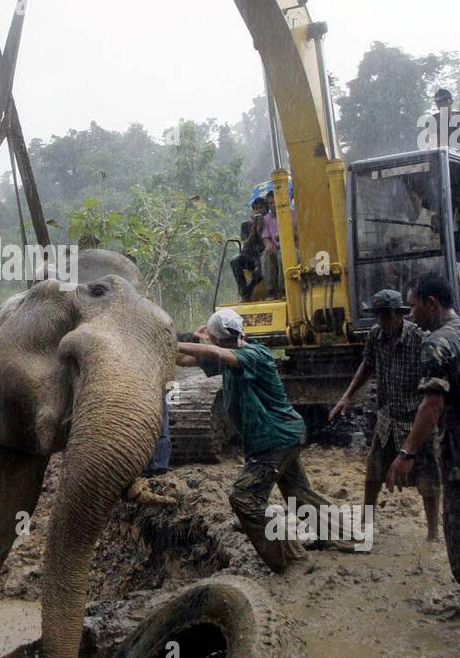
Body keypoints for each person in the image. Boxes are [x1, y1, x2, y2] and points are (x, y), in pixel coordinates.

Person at [177, 309, 338, 572]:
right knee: (299, 494)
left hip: (275, 439)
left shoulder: (255, 355)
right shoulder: (231, 357)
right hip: (279, 435)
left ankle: (295, 560)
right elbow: (186, 360)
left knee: (244, 497)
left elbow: (216, 353)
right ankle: (344, 537)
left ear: (217, 338)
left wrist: (178, 342)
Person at [386, 274, 460, 630]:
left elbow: (432, 403)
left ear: (431, 304)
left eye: (413, 306)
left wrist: (407, 452)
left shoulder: (436, 344)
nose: (411, 315)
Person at [330, 289, 441, 542]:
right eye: (378, 316)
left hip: (415, 420)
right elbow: (367, 365)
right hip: (387, 418)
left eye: (386, 316)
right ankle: (365, 525)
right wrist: (347, 396)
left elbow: (434, 385)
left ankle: (433, 534)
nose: (382, 322)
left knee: (428, 478)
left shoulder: (421, 340)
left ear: (398, 315)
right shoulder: (375, 336)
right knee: (373, 472)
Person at [230, 197, 266, 302]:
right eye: (256, 208)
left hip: (263, 255)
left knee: (260, 269)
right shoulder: (245, 224)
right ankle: (243, 291)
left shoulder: (268, 222)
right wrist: (253, 229)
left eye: (261, 208)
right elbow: (245, 245)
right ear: (253, 210)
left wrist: (261, 227)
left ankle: (248, 291)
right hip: (249, 255)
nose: (259, 211)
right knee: (235, 261)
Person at [261, 189, 285, 299]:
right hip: (276, 248)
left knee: (283, 256)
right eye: (271, 203)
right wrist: (268, 244)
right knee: (266, 255)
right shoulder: (266, 219)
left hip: (294, 250)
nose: (273, 205)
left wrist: (286, 235)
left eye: (275, 202)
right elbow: (266, 237)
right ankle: (271, 290)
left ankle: (285, 289)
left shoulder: (292, 215)